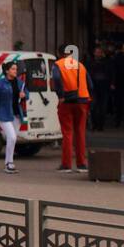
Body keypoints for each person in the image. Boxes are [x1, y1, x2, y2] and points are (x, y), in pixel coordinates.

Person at [53, 45, 92, 173]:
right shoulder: (81, 65)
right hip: (83, 100)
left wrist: (61, 95)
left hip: (67, 101)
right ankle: (81, 164)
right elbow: (90, 84)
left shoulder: (58, 64)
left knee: (67, 133)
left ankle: (66, 165)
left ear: (60, 54)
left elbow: (57, 79)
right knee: (80, 133)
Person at [0, 60, 26, 174]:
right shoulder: (0, 84)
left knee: (12, 139)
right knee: (12, 137)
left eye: (16, 69)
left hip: (17, 115)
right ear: (7, 71)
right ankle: (8, 163)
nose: (16, 71)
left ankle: (9, 162)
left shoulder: (19, 82)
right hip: (3, 114)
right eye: (13, 69)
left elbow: (26, 93)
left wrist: (24, 95)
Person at [89, 46, 113, 132]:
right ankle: (95, 124)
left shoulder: (107, 62)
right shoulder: (90, 62)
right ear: (94, 53)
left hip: (104, 87)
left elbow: (111, 73)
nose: (98, 54)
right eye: (97, 52)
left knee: (103, 107)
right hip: (93, 87)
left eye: (100, 52)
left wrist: (111, 83)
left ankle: (100, 125)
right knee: (94, 107)